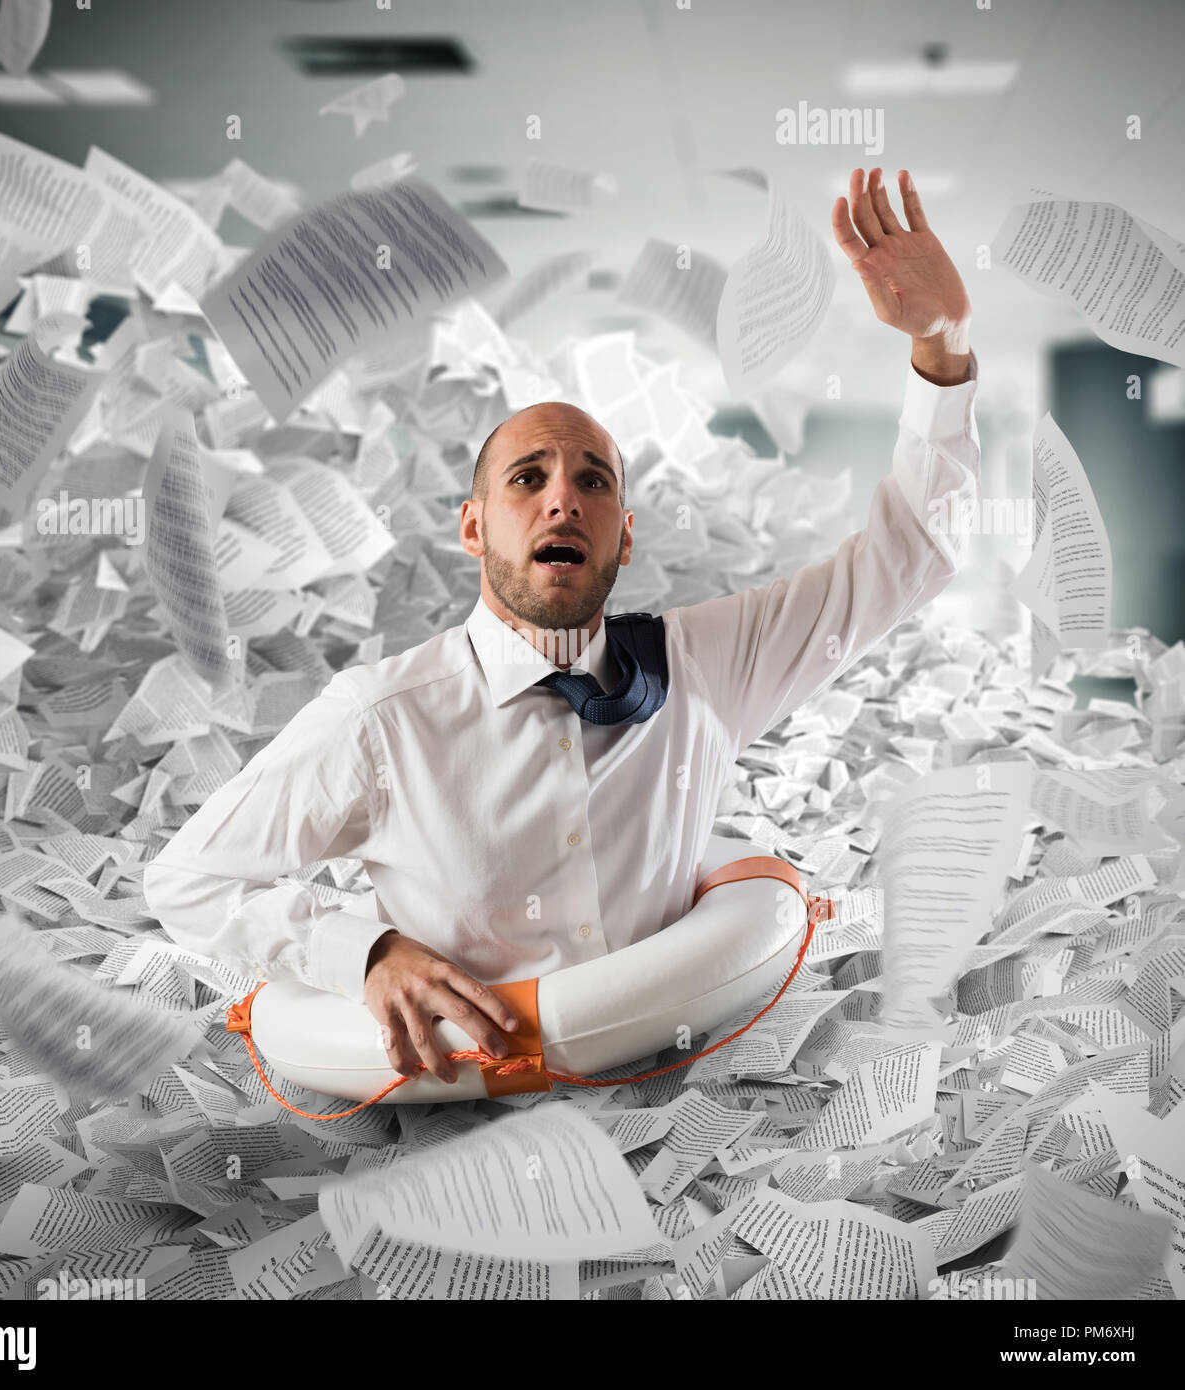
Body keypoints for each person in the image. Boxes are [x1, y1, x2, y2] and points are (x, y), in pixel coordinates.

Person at [144, 167, 979, 1087]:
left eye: (593, 481)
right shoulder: (380, 719)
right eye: (527, 478)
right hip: (446, 1129)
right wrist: (367, 953)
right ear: (473, 528)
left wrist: (943, 345)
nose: (562, 503)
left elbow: (909, 558)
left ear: (625, 534)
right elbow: (189, 879)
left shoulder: (707, 664)